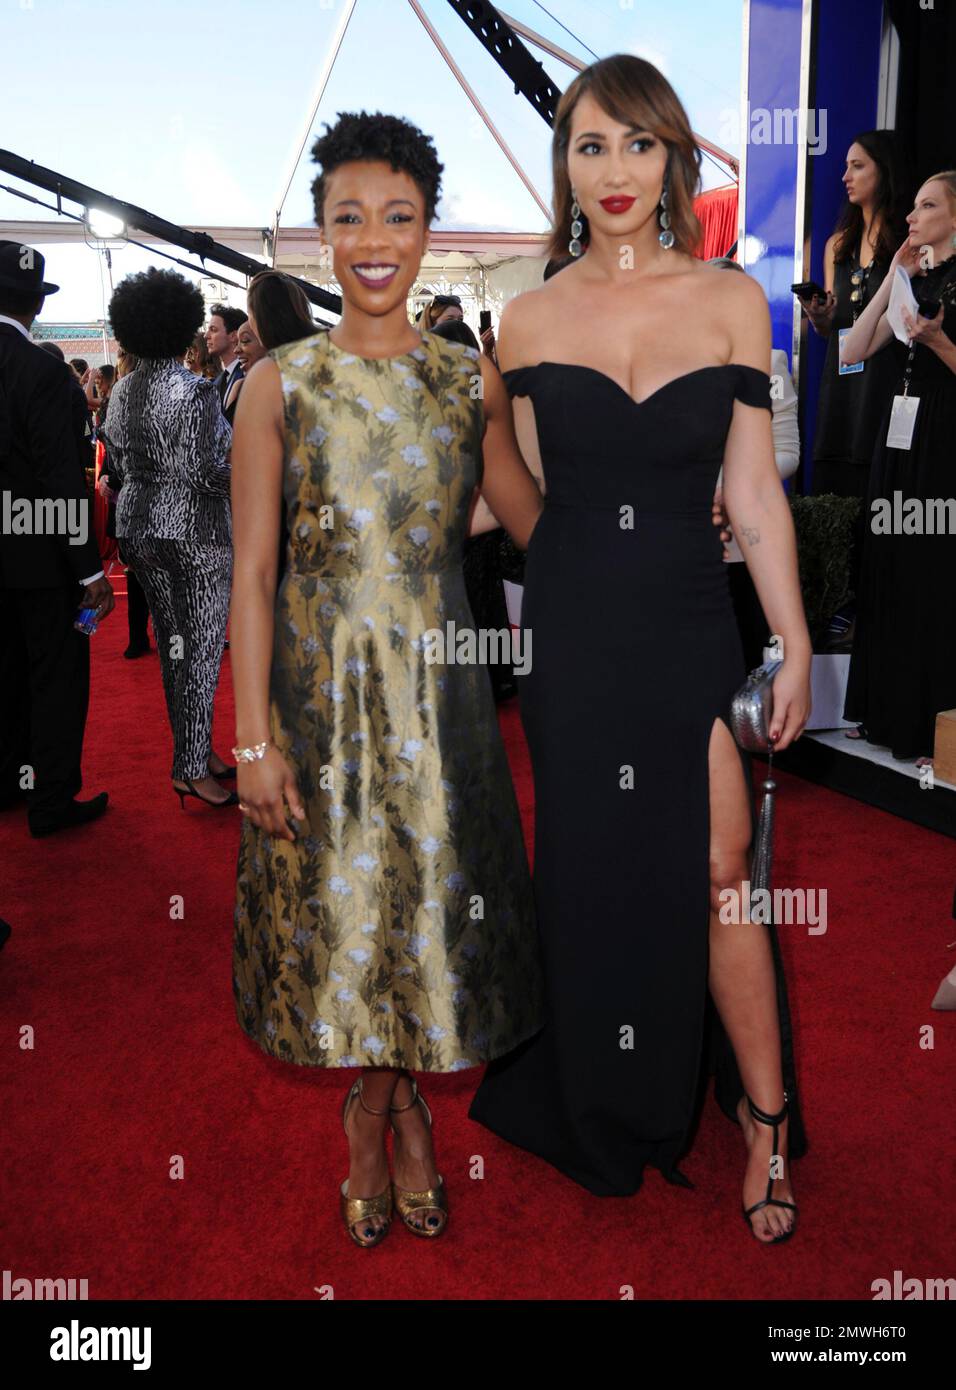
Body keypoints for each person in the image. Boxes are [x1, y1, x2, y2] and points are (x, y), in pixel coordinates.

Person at [467, 54, 812, 1245]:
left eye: (637, 144)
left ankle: (763, 1117)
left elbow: (755, 499)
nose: (612, 171)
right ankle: (607, 1086)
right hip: (573, 626)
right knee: (590, 865)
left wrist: (794, 640)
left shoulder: (729, 300)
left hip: (682, 625)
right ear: (560, 167)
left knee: (721, 870)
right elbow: (520, 492)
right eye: (587, 146)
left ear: (671, 157)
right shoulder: (525, 317)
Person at [229, 110, 546, 1248]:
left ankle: (391, 1105)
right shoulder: (279, 385)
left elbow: (533, 531)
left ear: (427, 231)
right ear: (318, 236)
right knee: (341, 909)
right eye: (348, 217)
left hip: (438, 694)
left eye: (398, 216)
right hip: (317, 698)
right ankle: (385, 1113)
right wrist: (253, 738)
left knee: (425, 908)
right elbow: (255, 573)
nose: (374, 239)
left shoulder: (471, 384)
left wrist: (656, 510)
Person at [102, 267, 237, 806]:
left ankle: (196, 750)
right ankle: (190, 766)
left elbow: (116, 457)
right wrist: (253, 464)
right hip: (194, 532)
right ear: (182, 326)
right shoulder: (196, 390)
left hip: (138, 529)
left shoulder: (121, 390)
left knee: (173, 648)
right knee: (200, 650)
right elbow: (209, 473)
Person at [840, 172, 956, 765]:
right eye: (912, 206)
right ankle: (883, 710)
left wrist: (936, 343)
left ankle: (928, 723)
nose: (912, 217)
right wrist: (894, 277)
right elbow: (852, 351)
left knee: (931, 573)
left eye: (928, 206)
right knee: (888, 563)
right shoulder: (914, 279)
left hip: (945, 441)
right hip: (900, 437)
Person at [0, 240, 114, 835]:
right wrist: (90, 572)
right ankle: (48, 801)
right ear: (34, 308)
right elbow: (58, 480)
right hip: (41, 563)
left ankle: (9, 783)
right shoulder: (42, 371)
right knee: (55, 678)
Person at [710, 258, 801, 672]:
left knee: (747, 659)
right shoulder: (670, 367)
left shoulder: (770, 363)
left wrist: (732, 491)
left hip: (747, 546)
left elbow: (788, 454)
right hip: (682, 541)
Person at [245, 270, 316, 350]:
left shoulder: (278, 360)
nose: (250, 326)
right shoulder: (327, 342)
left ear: (263, 318)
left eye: (249, 313)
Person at [206, 303, 245, 424]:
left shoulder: (248, 374)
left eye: (213, 330)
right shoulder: (219, 380)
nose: (206, 336)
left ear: (233, 336)